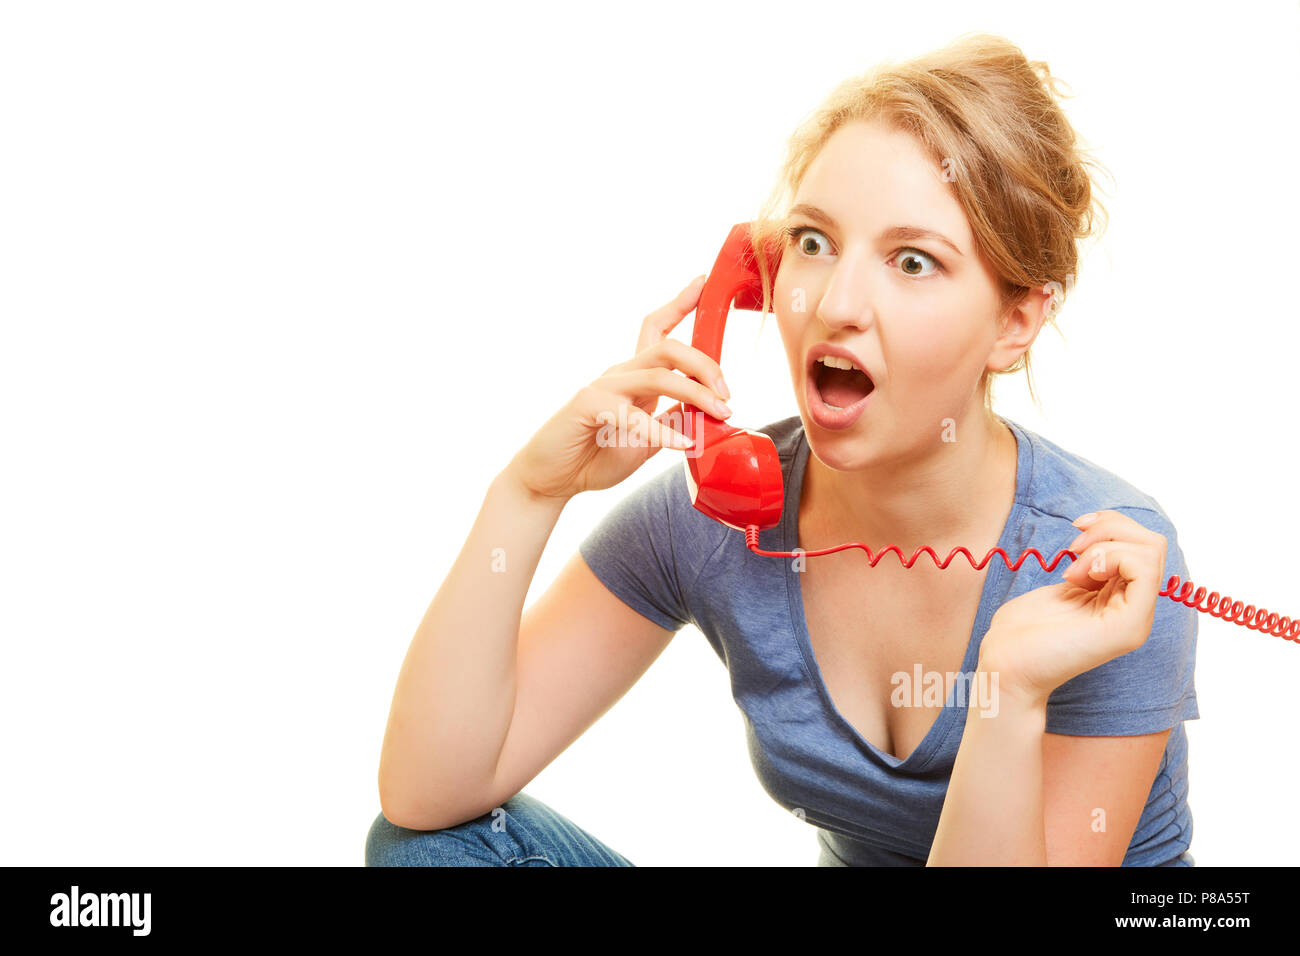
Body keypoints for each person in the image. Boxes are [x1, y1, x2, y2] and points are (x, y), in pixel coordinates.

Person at [365, 31, 1197, 867]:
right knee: (430, 850)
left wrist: (1009, 691)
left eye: (912, 261)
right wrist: (528, 494)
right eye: (813, 243)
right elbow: (427, 793)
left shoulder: (1105, 575)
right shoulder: (722, 514)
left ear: (1014, 323)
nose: (836, 303)